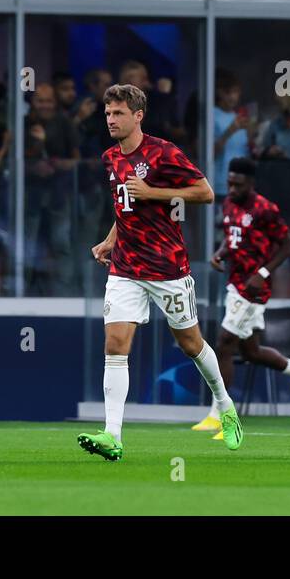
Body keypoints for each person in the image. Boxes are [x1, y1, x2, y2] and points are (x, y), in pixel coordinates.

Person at [80, 83, 241, 460]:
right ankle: (112, 436)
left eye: (118, 113)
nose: (111, 120)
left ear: (138, 116)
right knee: (115, 346)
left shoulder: (163, 152)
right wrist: (109, 240)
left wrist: (153, 193)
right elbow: (126, 209)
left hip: (167, 266)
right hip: (125, 268)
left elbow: (205, 193)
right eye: (107, 114)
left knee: (190, 344)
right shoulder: (110, 158)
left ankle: (225, 405)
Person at [193, 157, 290, 433]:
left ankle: (220, 413)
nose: (233, 187)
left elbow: (287, 246)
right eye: (229, 182)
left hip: (254, 288)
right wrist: (221, 253)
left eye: (238, 184)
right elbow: (233, 238)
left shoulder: (265, 208)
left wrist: (262, 273)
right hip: (235, 283)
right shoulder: (228, 203)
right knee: (251, 352)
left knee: (224, 343)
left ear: (251, 183)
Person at [23, 83, 80, 293]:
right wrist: (34, 165)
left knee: (60, 241)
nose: (45, 105)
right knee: (27, 240)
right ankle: (24, 287)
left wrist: (57, 165)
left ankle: (63, 289)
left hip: (59, 191)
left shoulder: (64, 123)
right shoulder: (23, 124)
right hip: (31, 192)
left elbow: (75, 159)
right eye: (40, 101)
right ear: (32, 102)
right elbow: (17, 159)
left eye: (49, 101)